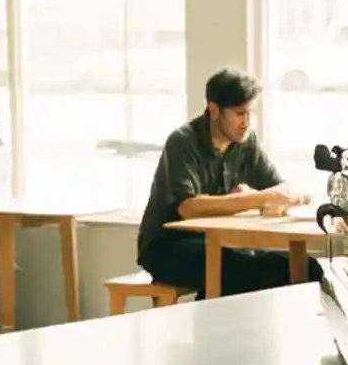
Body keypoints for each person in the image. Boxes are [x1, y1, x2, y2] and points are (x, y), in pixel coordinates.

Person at [137, 68, 321, 297]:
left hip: (217, 242)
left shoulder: (245, 142)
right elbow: (188, 207)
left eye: (250, 113)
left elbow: (281, 187)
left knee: (306, 267)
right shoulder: (183, 142)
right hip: (168, 247)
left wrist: (267, 195)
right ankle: (211, 325)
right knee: (248, 269)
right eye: (239, 114)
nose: (246, 123)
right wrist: (253, 199)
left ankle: (222, 321)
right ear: (214, 110)